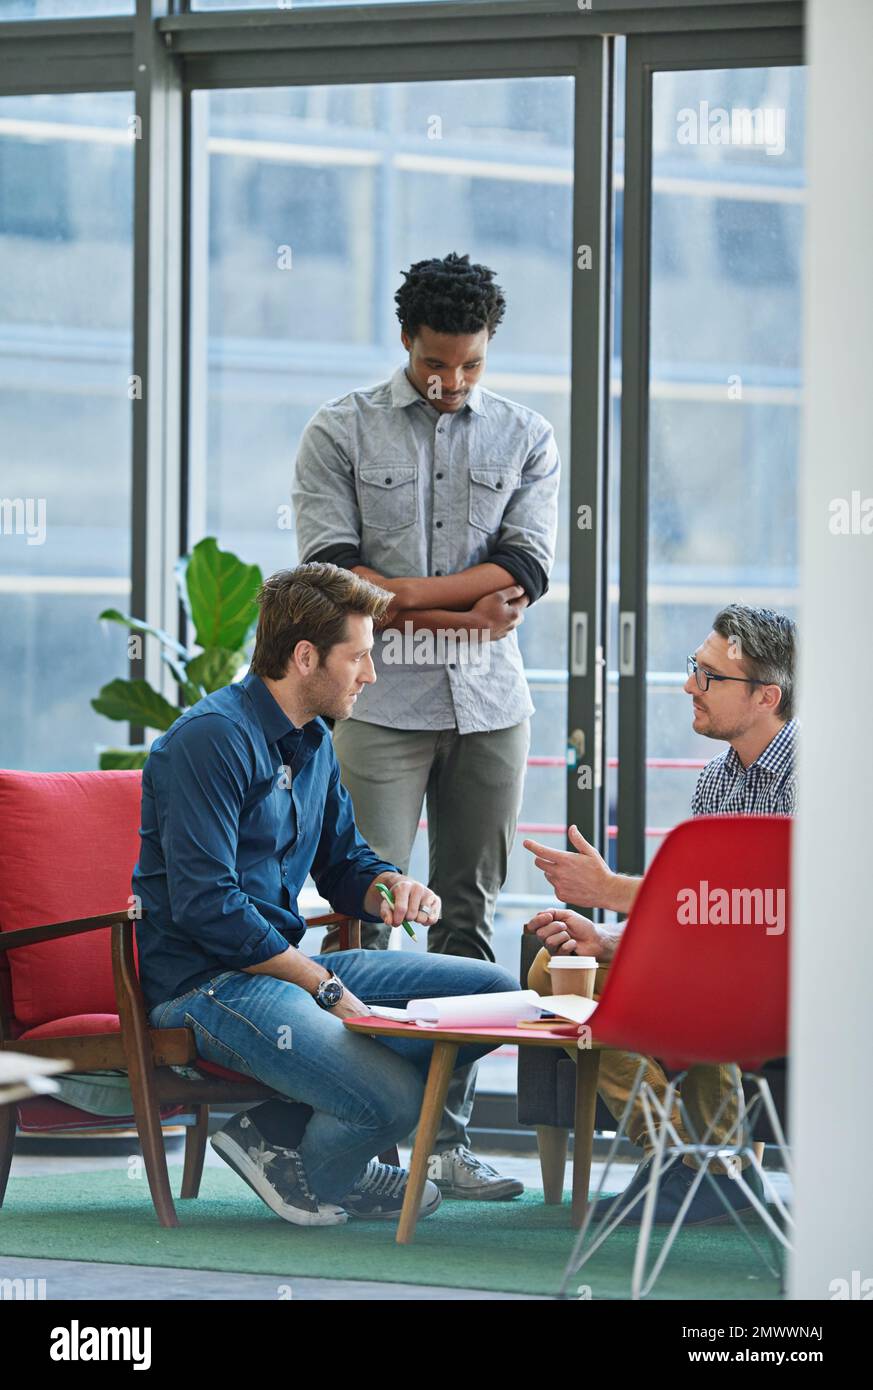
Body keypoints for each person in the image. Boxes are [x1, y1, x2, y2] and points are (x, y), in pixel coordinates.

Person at [133, 562, 521, 1227]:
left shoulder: (312, 741)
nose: (370, 675)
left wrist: (388, 886)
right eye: (360, 657)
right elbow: (207, 904)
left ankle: (274, 1134)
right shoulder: (209, 741)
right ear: (304, 656)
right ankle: (328, 1165)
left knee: (492, 999)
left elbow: (345, 864)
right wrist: (319, 984)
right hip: (209, 986)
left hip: (281, 973)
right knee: (395, 1101)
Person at [292, 251, 560, 1200]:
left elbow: (523, 576)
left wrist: (403, 597)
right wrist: (458, 608)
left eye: (471, 365)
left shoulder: (527, 435)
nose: (452, 383)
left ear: (488, 350)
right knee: (363, 911)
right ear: (406, 339)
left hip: (491, 708)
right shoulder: (339, 431)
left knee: (469, 915)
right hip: (380, 704)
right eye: (437, 362)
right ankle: (356, 1135)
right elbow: (337, 587)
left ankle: (446, 1140)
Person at [523, 604, 798, 1225]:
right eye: (692, 669)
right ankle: (680, 1156)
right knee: (553, 970)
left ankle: (716, 1165)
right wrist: (610, 940)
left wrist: (611, 888)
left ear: (766, 697)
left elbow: (764, 911)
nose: (687, 687)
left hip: (790, 976)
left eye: (709, 677)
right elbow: (702, 915)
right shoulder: (717, 783)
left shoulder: (812, 776)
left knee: (704, 976)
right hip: (724, 959)